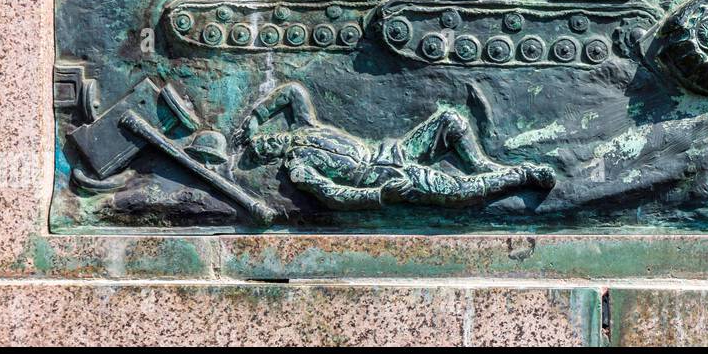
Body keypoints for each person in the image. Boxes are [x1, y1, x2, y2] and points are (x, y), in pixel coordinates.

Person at [232, 83, 555, 209]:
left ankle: (482, 164)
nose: (270, 142)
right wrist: (380, 195)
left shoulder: (305, 125)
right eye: (265, 149)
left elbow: (292, 92)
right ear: (271, 157)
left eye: (266, 139)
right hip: (383, 179)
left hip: (395, 152)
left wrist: (257, 117)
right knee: (459, 191)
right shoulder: (299, 168)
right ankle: (523, 176)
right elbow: (332, 193)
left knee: (450, 121)